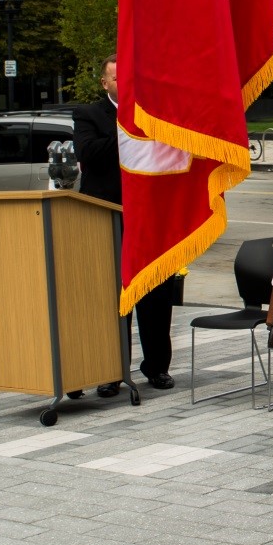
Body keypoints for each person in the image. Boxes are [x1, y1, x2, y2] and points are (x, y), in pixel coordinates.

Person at [73, 55, 176, 392]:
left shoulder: (153, 111)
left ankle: (157, 367)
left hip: (149, 217)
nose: (124, 82)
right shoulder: (88, 114)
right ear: (105, 83)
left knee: (155, 295)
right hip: (107, 217)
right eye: (116, 78)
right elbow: (88, 154)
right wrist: (128, 129)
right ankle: (111, 371)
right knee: (113, 300)